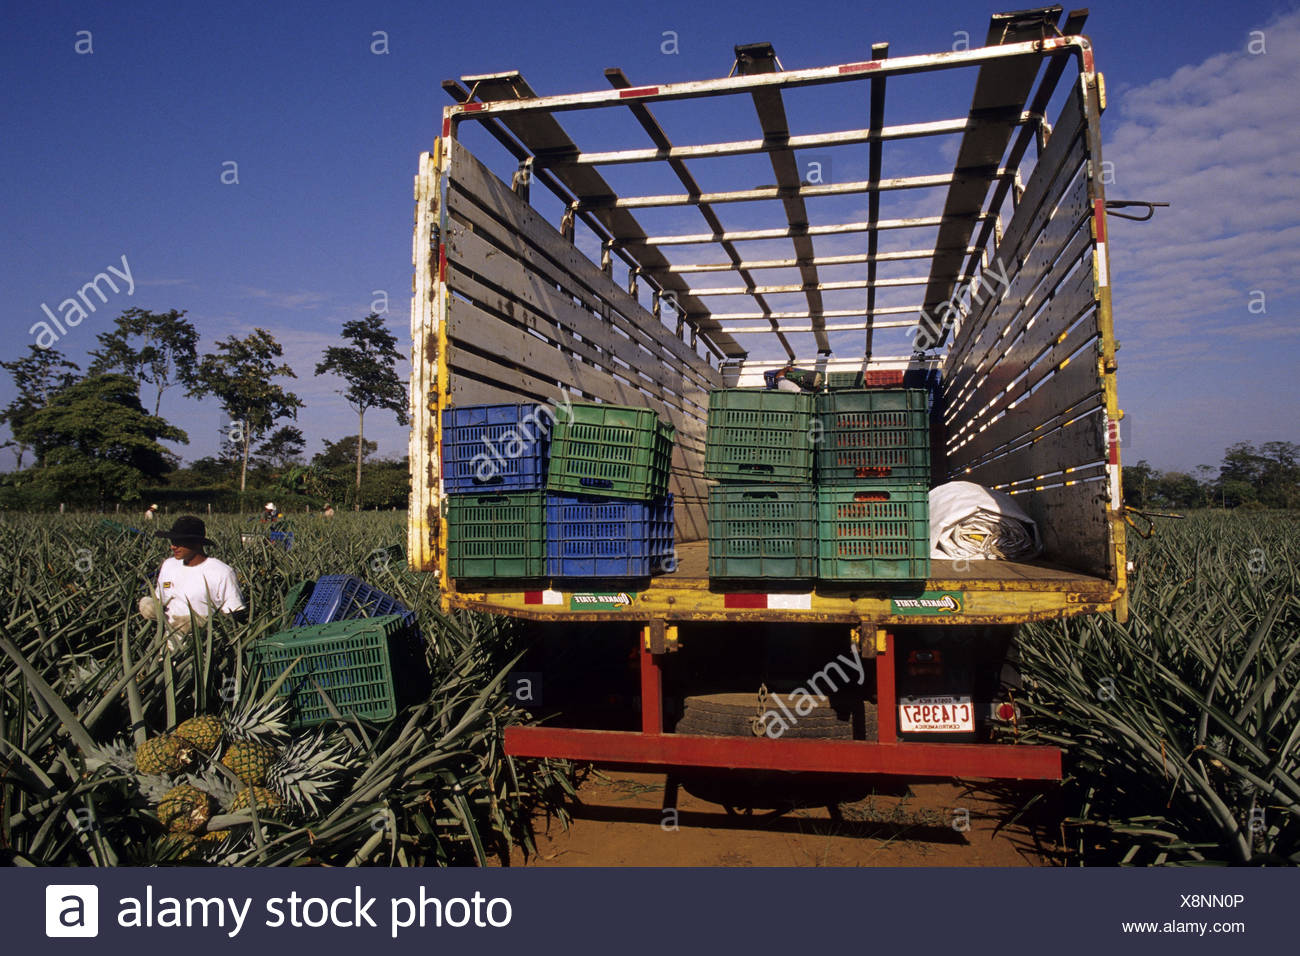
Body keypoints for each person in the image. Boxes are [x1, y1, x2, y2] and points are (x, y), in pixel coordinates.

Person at [139, 516, 247, 644]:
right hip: (168, 646)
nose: (173, 546)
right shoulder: (168, 565)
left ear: (197, 543)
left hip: (206, 648)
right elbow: (160, 598)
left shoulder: (221, 572)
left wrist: (201, 623)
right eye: (172, 541)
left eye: (180, 542)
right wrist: (149, 604)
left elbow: (237, 614)